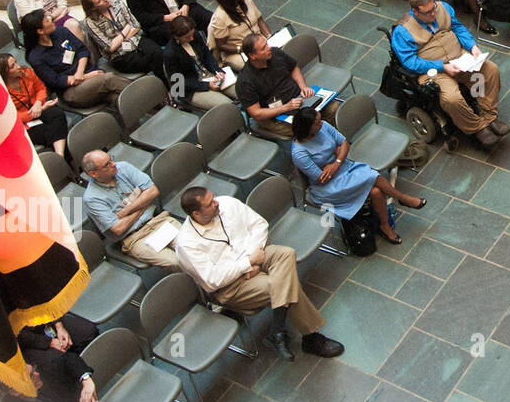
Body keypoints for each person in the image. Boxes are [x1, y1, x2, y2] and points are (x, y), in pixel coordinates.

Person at [175, 188, 344, 362]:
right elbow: (213, 280)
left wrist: (252, 260)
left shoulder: (227, 203)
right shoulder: (187, 244)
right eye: (210, 204)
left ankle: (277, 331)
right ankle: (310, 337)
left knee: (285, 254)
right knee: (279, 284)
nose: (217, 202)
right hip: (231, 286)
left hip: (256, 255)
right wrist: (247, 264)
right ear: (196, 213)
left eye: (214, 197)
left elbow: (259, 224)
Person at [391, 0, 507, 148]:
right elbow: (410, 62)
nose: (433, 15)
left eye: (434, 9)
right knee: (451, 98)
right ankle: (477, 127)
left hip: (459, 56)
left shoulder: (442, 8)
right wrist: (442, 66)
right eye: (427, 13)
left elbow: (458, 28)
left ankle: (488, 114)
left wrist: (472, 46)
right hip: (433, 70)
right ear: (415, 11)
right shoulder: (402, 31)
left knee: (489, 71)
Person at [291, 108, 426, 245]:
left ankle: (385, 225)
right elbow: (323, 178)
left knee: (376, 190)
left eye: (320, 120)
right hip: (327, 188)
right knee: (372, 176)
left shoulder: (323, 126)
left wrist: (336, 163)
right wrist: (338, 156)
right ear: (306, 128)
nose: (321, 123)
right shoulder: (299, 153)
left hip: (342, 169)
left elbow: (344, 143)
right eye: (317, 123)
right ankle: (402, 199)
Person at [81, 152, 182, 269]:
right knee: (175, 262)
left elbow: (153, 191)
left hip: (158, 221)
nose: (113, 164)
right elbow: (118, 229)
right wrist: (143, 204)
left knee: (191, 245)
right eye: (107, 164)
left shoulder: (123, 167)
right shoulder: (92, 198)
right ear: (93, 173)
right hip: (135, 238)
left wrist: (125, 212)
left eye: (111, 159)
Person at [236, 33, 341, 141]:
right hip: (275, 115)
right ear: (253, 56)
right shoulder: (245, 82)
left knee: (332, 108)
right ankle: (319, 148)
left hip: (298, 98)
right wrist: (286, 107)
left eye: (267, 44)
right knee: (307, 127)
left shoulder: (275, 53)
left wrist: (303, 87)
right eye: (263, 48)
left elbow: (294, 68)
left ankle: (331, 139)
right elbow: (256, 114)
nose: (269, 48)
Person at [22, 9, 130, 110]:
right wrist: (85, 77)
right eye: (47, 20)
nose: (51, 19)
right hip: (72, 91)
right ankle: (144, 92)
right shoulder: (36, 57)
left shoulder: (60, 32)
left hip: (91, 76)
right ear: (40, 31)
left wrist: (80, 72)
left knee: (117, 98)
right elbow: (56, 81)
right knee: (109, 79)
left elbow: (82, 50)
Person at [80, 0, 166, 79]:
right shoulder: (90, 22)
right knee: (150, 62)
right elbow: (109, 47)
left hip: (136, 39)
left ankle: (168, 87)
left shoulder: (118, 4)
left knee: (158, 53)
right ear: (93, 8)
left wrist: (120, 39)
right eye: (99, 1)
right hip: (119, 55)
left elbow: (136, 25)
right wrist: (126, 30)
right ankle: (163, 87)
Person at [0, 54, 67, 157]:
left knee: (57, 113)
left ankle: (59, 156)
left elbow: (41, 88)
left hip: (37, 107)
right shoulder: (0, 92)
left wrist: (38, 103)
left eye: (16, 62)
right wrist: (40, 109)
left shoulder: (26, 72)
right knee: (50, 130)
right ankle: (62, 158)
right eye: (12, 66)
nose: (18, 66)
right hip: (23, 123)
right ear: (4, 72)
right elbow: (11, 117)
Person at [163, 14, 235, 110]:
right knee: (227, 105)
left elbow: (207, 55)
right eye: (187, 37)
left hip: (209, 76)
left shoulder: (195, 36)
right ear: (176, 37)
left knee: (241, 92)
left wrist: (217, 70)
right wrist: (206, 86)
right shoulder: (170, 54)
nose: (191, 39)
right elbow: (178, 82)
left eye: (192, 34)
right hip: (192, 88)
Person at [207, 0, 270, 72]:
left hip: (258, 41)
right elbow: (222, 45)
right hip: (238, 51)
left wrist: (269, 36)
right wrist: (244, 49)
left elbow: (260, 20)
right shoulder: (219, 17)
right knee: (256, 66)